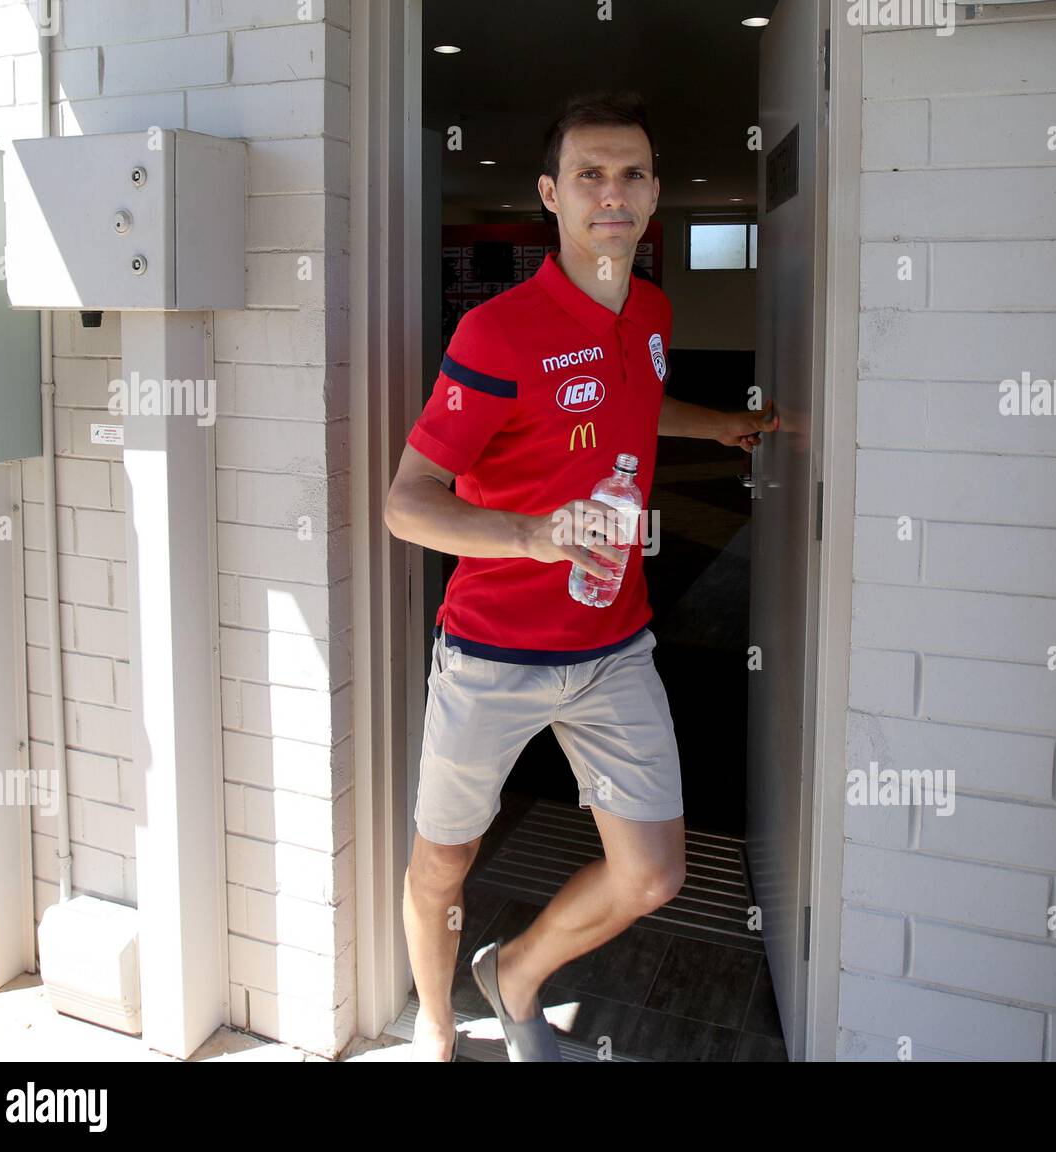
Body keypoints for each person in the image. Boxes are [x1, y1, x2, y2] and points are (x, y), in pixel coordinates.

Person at [383, 90, 780, 1062]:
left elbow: (633, 403)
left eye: (632, 173)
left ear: (653, 194)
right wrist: (532, 536)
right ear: (551, 194)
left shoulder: (650, 309)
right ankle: (435, 1022)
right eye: (590, 174)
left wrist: (726, 426)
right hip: (492, 654)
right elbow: (407, 502)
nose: (613, 191)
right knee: (444, 861)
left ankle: (514, 974)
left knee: (651, 875)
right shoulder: (497, 332)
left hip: (615, 648)